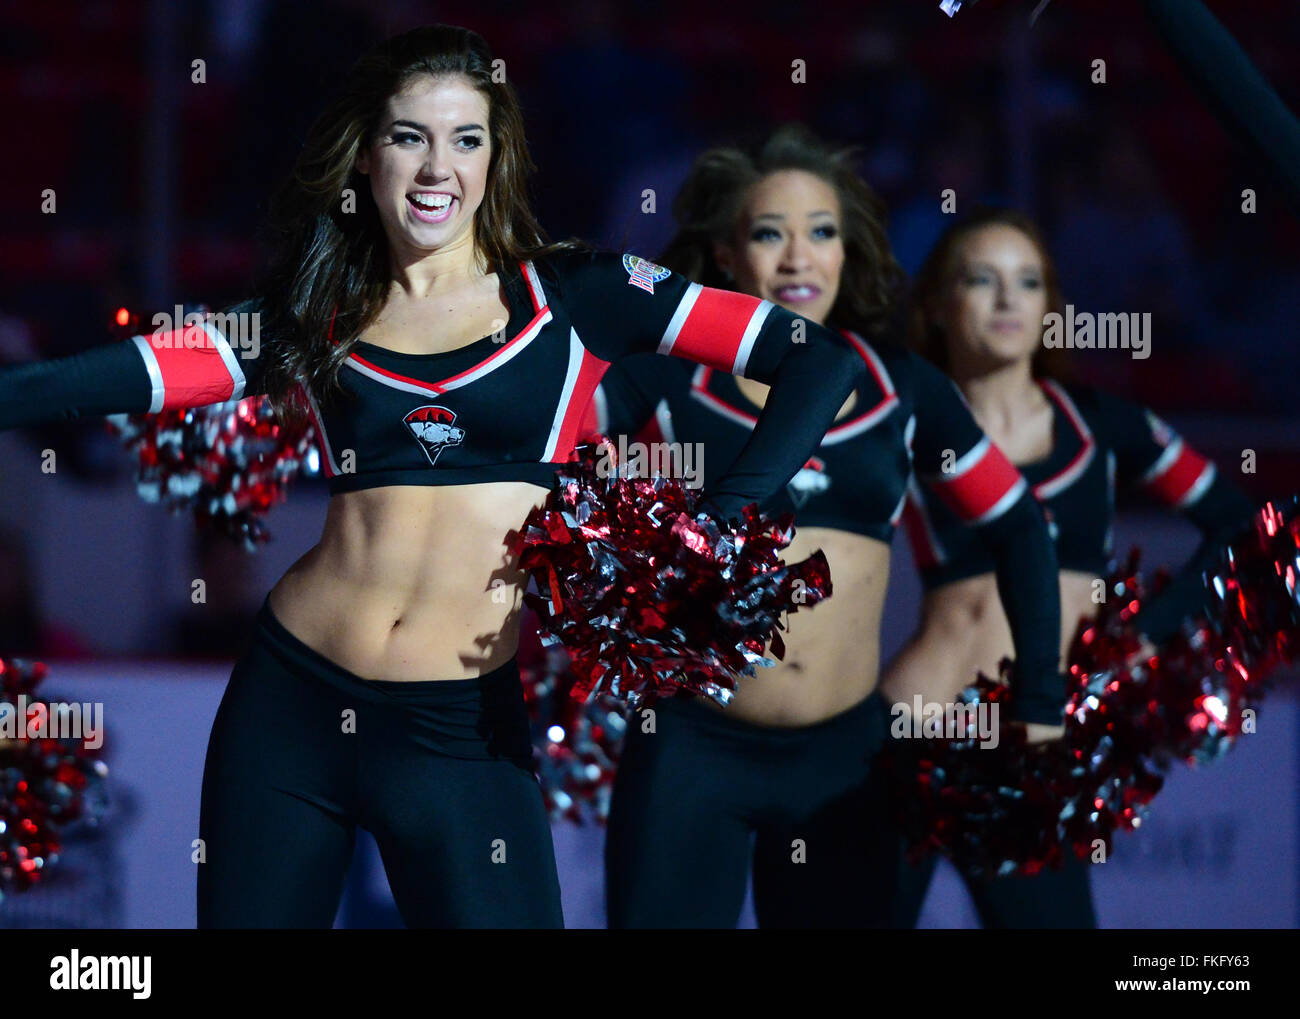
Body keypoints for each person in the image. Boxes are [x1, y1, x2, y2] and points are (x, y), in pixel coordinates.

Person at [0, 27, 866, 929]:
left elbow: (817, 363)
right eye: (409, 137)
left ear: (497, 158)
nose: (435, 168)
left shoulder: (578, 294)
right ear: (367, 156)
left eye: (465, 139)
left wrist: (719, 529)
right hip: (290, 707)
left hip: (459, 732)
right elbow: (126, 374)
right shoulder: (316, 307)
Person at [587, 125, 1067, 929]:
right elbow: (534, 453)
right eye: (768, 234)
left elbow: (1020, 527)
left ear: (850, 253)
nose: (798, 258)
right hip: (689, 750)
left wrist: (1042, 699)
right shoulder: (668, 381)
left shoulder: (901, 388)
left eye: (822, 233)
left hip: (846, 761)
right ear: (727, 257)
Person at [881, 208, 1257, 928]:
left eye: (1027, 282)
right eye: (980, 279)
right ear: (933, 304)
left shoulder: (1104, 423)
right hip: (911, 730)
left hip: (1033, 742)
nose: (1006, 300)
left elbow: (1239, 525)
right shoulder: (904, 421)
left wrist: (1154, 628)